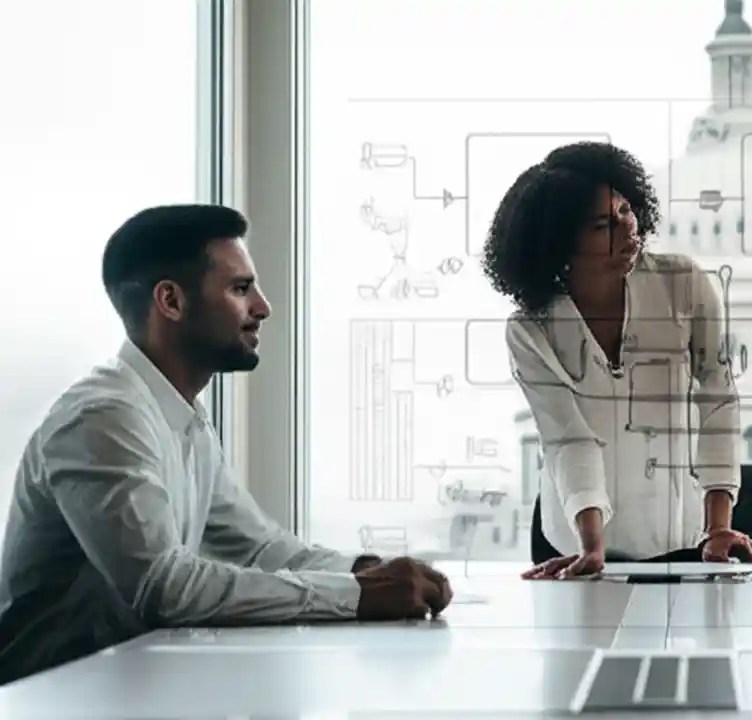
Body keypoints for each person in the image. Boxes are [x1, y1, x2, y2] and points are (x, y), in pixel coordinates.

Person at [0, 204, 452, 685]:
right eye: (240, 289)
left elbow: (260, 549)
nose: (262, 306)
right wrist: (357, 595)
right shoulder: (104, 416)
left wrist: (369, 571)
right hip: (47, 699)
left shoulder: (181, 414)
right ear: (170, 301)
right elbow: (163, 587)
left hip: (125, 689)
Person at [483, 141, 752, 579]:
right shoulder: (530, 328)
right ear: (562, 245)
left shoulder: (683, 283)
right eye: (603, 225)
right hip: (573, 540)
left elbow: (718, 401)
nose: (627, 231)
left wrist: (718, 527)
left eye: (625, 211)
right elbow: (567, 439)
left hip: (678, 538)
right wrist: (592, 546)